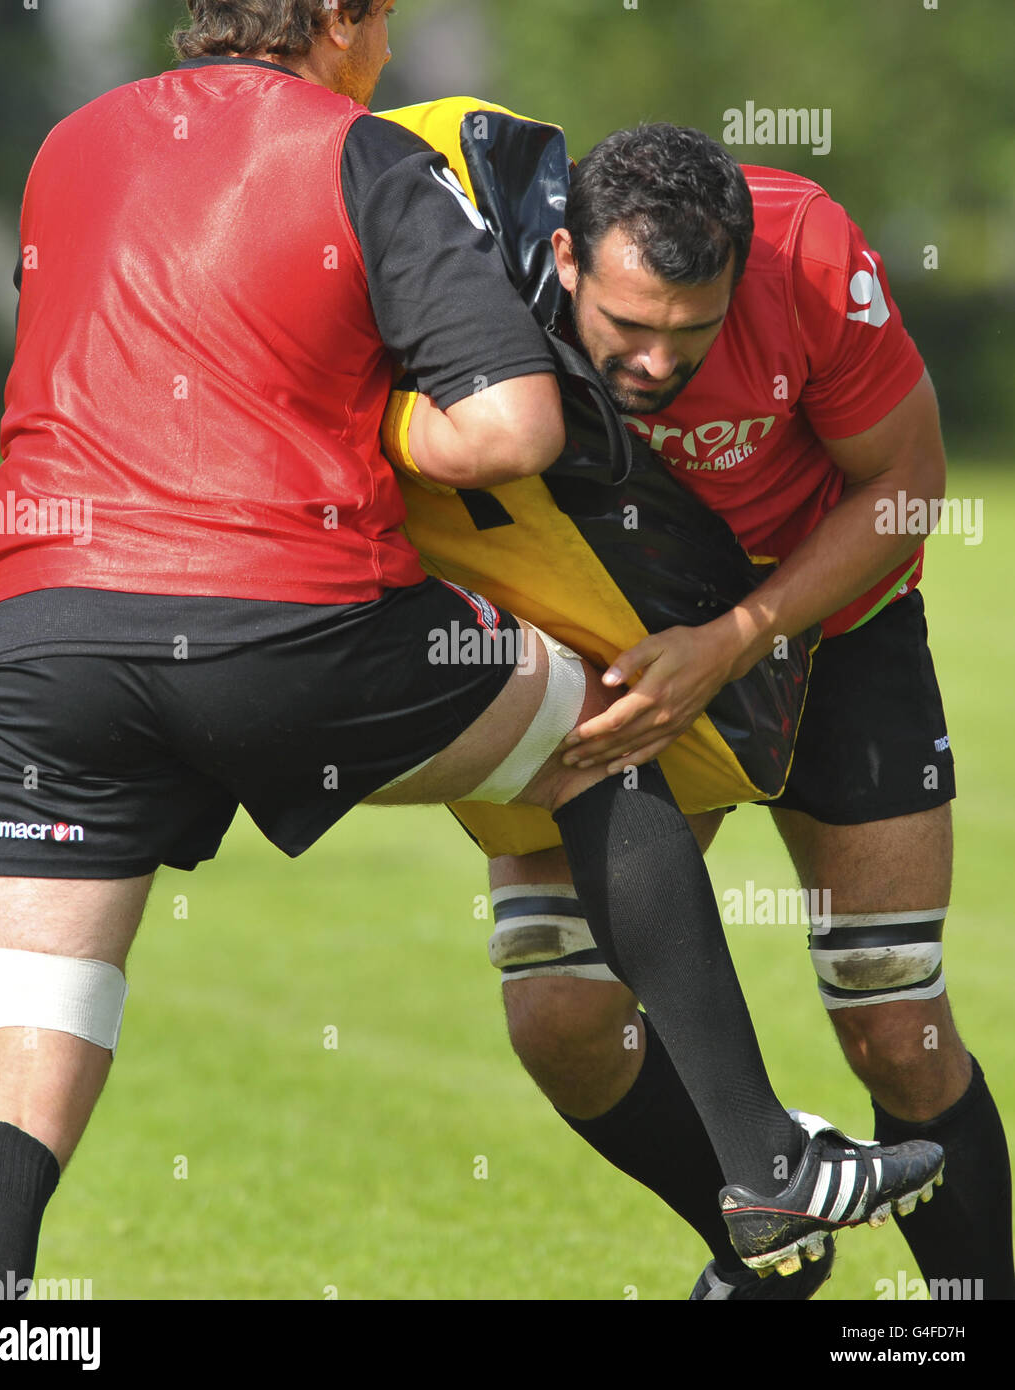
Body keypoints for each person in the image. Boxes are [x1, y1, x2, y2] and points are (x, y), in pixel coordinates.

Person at [0, 2, 941, 1302]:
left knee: (25, 1062)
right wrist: (369, 426)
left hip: (42, 638)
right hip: (284, 610)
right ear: (340, 21)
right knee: (591, 728)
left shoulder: (68, 142)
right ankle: (762, 1158)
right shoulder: (365, 151)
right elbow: (512, 426)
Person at [380, 104, 1012, 1300]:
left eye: (692, 331)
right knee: (560, 1014)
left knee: (893, 1019)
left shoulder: (806, 252)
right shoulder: (479, 277)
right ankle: (767, 1231)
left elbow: (909, 481)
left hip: (830, 621)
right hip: (618, 647)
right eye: (625, 327)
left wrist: (735, 638)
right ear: (564, 258)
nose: (656, 364)